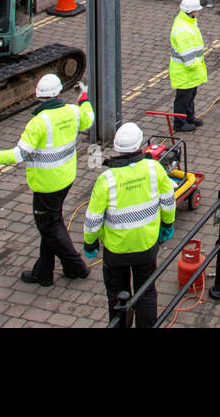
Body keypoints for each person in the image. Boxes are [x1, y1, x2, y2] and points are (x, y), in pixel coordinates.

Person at [0, 74, 93, 286]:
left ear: (38, 97)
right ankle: (43, 273)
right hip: (67, 177)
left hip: (46, 185)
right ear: (59, 93)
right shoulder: (72, 111)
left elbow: (17, 155)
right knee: (51, 224)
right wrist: (84, 96)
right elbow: (89, 116)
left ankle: (76, 266)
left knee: (50, 228)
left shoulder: (38, 123)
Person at [83, 122, 176, 329]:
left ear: (116, 148)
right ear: (140, 146)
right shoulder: (155, 169)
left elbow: (93, 219)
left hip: (116, 252)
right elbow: (168, 202)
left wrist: (90, 243)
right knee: (146, 292)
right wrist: (167, 224)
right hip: (146, 246)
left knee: (118, 297)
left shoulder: (106, 179)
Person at [169, 0, 208, 132]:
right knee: (183, 99)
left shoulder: (189, 21)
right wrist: (195, 65)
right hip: (185, 70)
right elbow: (186, 52)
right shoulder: (183, 28)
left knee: (190, 96)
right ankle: (179, 123)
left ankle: (189, 117)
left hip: (190, 70)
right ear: (192, 12)